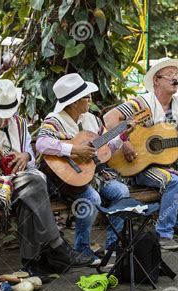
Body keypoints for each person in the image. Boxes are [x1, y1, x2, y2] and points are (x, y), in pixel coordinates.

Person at [0, 79, 92, 283]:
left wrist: (26, 157)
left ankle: (31, 265)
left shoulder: (20, 123)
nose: (4, 120)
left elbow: (30, 153)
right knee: (36, 184)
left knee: (29, 197)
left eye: (8, 114)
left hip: (19, 188)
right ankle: (56, 246)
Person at [104, 57, 178, 251]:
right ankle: (163, 232)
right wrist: (125, 142)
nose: (175, 79)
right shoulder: (142, 103)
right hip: (141, 165)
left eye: (177, 75)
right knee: (177, 181)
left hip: (172, 162)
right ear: (156, 80)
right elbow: (110, 117)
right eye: (170, 75)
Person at [37, 73, 133, 265]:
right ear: (73, 102)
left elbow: (106, 148)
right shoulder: (54, 120)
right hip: (62, 181)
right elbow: (41, 144)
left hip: (91, 175)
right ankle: (82, 249)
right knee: (92, 198)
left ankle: (113, 246)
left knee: (122, 191)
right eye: (86, 97)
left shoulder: (93, 120)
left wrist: (122, 136)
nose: (90, 99)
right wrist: (73, 150)